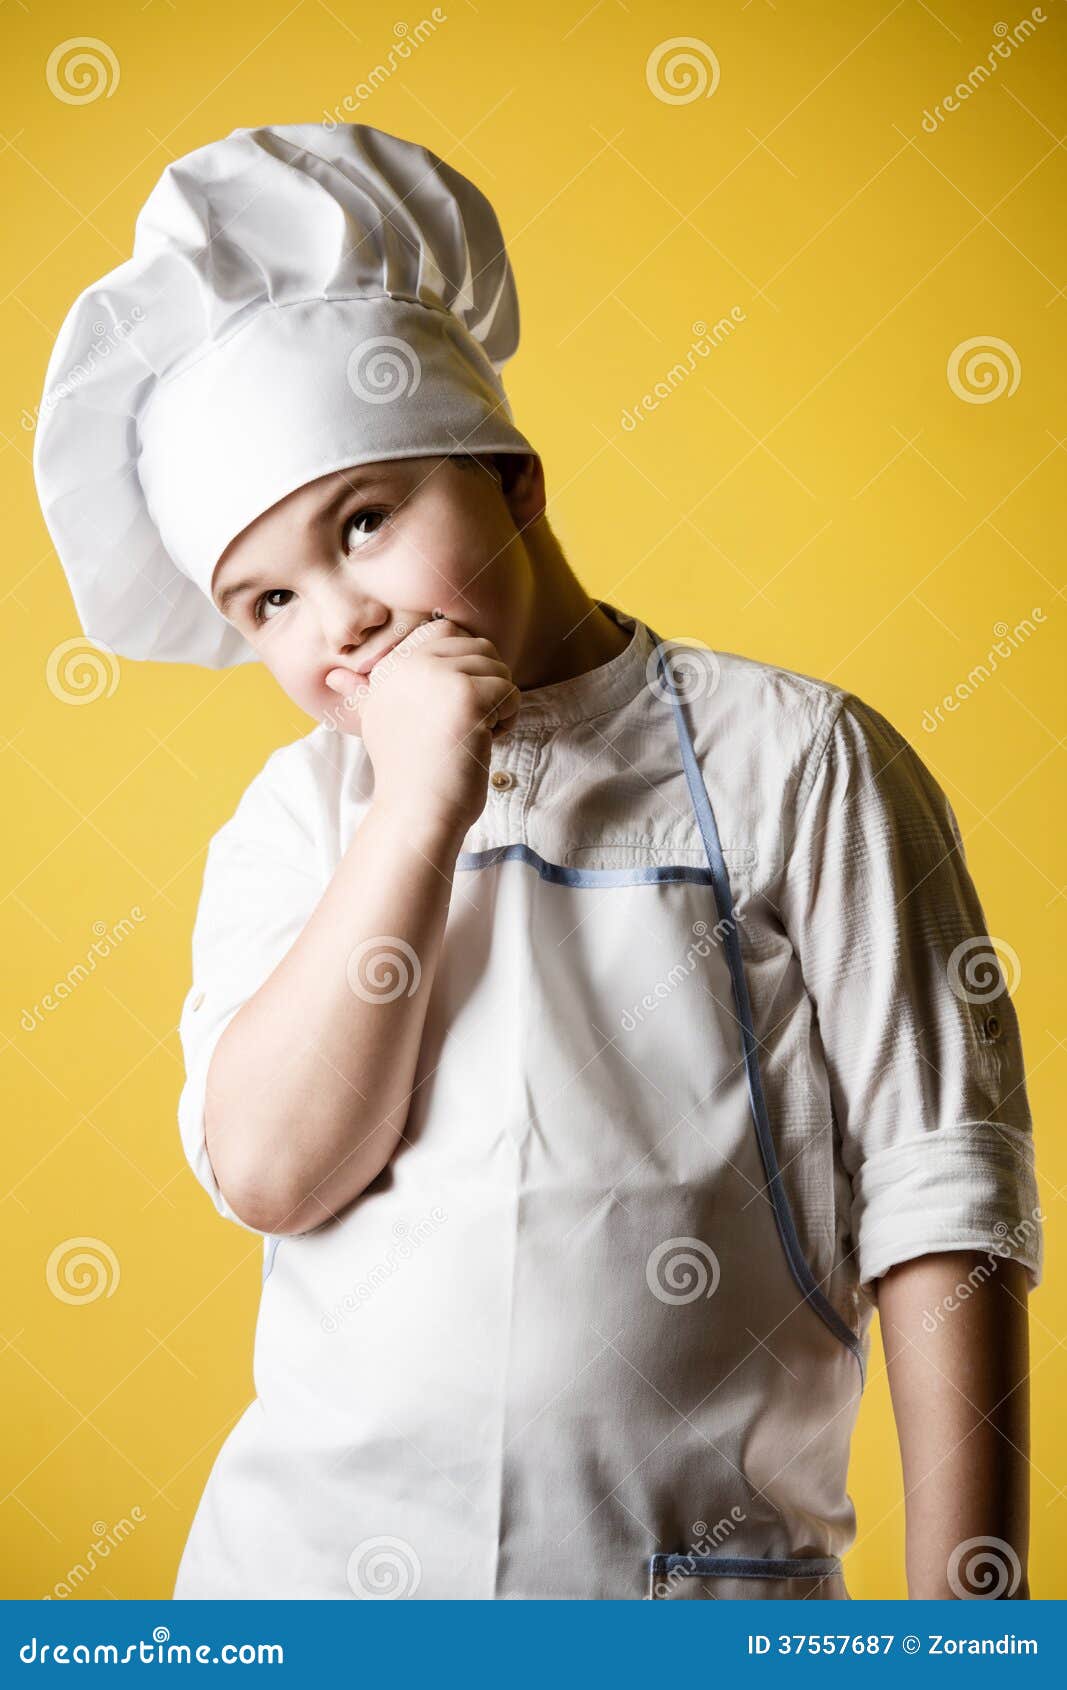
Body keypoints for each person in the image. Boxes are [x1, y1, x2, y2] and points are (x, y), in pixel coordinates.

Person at [33, 121, 1042, 1602]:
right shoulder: (298, 819)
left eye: (364, 522)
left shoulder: (802, 758)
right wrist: (413, 809)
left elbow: (942, 1187)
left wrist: (974, 1612)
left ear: (513, 481)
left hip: (688, 1601)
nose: (340, 623)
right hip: (303, 1598)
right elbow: (267, 1165)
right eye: (268, 603)